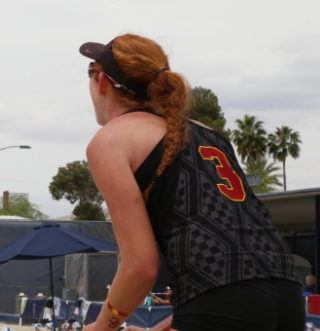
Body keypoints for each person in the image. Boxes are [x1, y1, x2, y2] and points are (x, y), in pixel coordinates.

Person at [78, 33, 302, 331]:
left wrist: (102, 326)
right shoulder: (206, 132)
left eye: (90, 72)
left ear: (102, 80)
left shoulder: (112, 140)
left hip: (224, 300)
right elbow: (230, 272)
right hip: (286, 293)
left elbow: (141, 266)